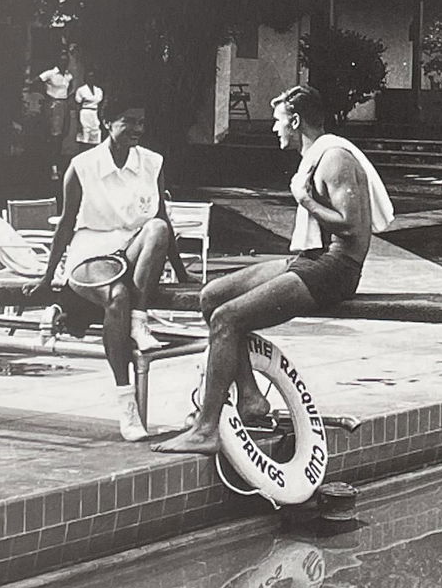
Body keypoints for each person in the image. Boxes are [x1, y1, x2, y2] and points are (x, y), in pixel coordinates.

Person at [153, 84, 393, 455]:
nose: (274, 128)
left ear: (295, 121)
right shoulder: (315, 154)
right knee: (212, 296)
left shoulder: (334, 159)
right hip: (309, 260)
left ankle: (206, 428)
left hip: (336, 268)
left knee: (227, 319)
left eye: (279, 120)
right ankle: (250, 398)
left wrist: (305, 199)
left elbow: (352, 226)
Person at [40, 91, 191, 441]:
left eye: (142, 122)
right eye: (129, 122)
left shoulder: (152, 162)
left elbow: (162, 218)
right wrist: (48, 276)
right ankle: (126, 405)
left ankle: (140, 322)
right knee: (117, 296)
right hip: (91, 248)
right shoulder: (82, 166)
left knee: (157, 227)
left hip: (134, 248)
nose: (138, 128)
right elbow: (65, 224)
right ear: (108, 122)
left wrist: (183, 274)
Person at [37, 49, 75, 185]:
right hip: (53, 105)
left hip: (64, 105)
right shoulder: (50, 74)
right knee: (54, 137)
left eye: (66, 60)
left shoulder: (69, 76)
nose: (64, 62)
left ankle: (57, 165)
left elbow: (69, 89)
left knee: (62, 136)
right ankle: (52, 168)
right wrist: (46, 95)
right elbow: (36, 82)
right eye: (62, 60)